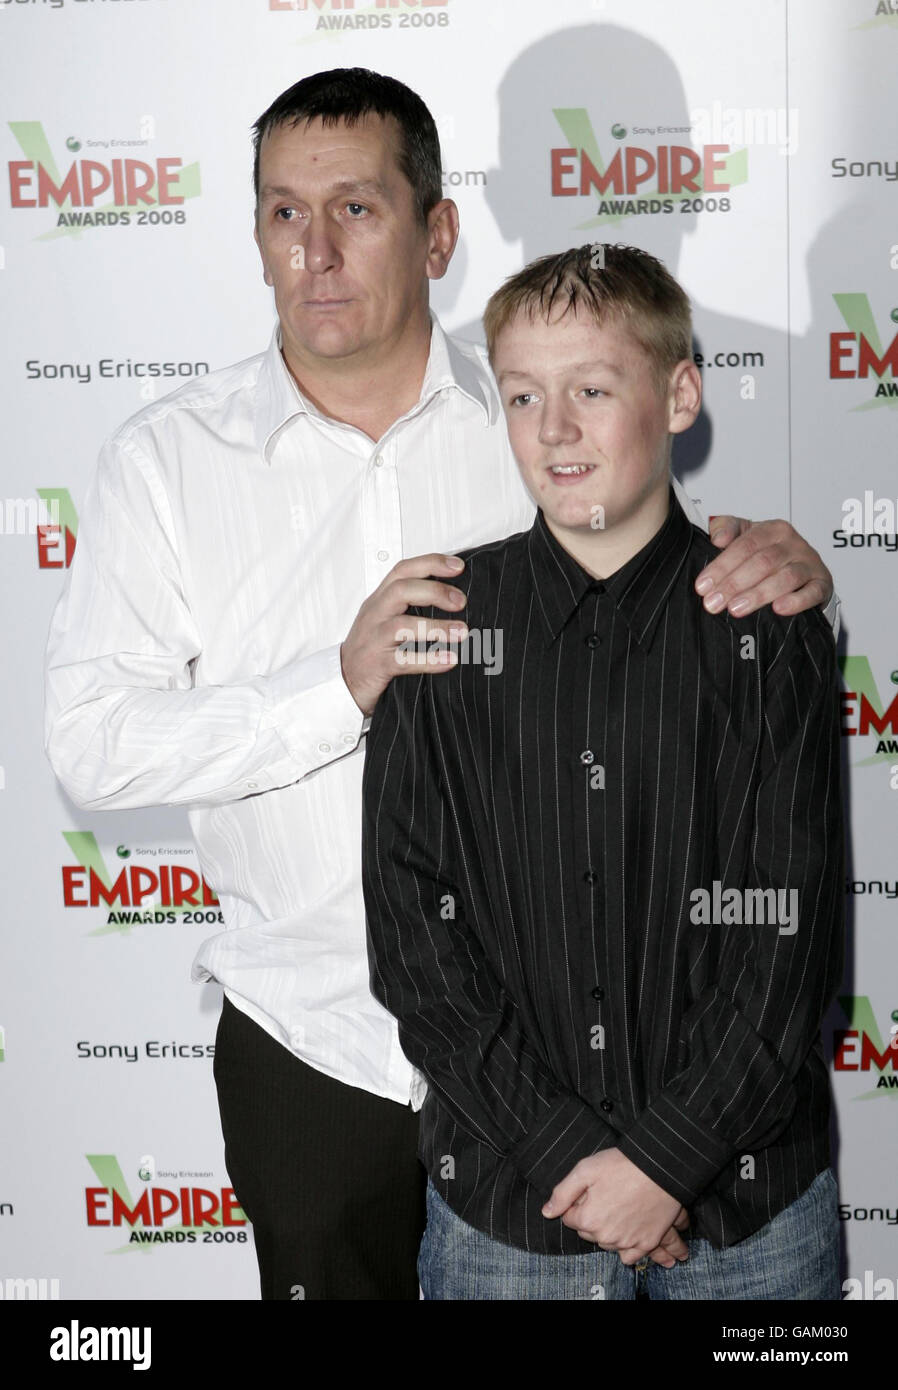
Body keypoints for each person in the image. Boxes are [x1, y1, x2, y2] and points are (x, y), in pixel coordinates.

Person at [44, 70, 838, 1302]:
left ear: (437, 233)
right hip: (317, 1036)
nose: (314, 251)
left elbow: (662, 574)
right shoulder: (165, 459)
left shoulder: (534, 402)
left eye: (355, 209)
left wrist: (787, 565)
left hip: (585, 1057)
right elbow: (91, 745)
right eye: (283, 213)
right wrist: (336, 684)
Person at [361, 243, 844, 1301]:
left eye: (591, 389)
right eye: (524, 395)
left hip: (749, 1218)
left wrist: (665, 1163)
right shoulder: (440, 626)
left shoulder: (769, 626)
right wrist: (576, 1163)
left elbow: (790, 936)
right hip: (513, 1212)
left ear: (679, 397)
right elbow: (414, 938)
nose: (554, 429)